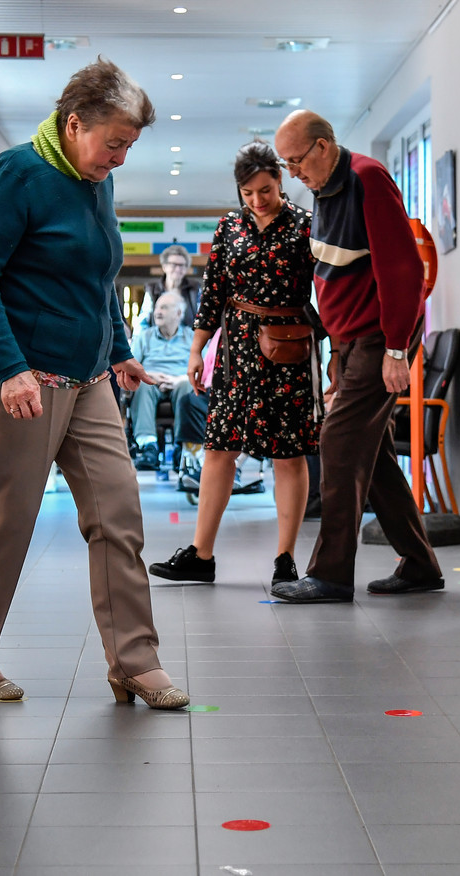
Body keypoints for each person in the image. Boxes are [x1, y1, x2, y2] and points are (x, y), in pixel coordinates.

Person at [0, 58, 188, 710]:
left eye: (130, 146)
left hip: (89, 376)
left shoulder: (95, 181)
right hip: (18, 375)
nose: (121, 158)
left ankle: (134, 661)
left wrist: (123, 350)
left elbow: (98, 282)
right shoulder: (18, 173)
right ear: (74, 123)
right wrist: (14, 368)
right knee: (8, 519)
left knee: (119, 513)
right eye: (114, 143)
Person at [269, 109, 443, 602]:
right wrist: (333, 352)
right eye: (287, 165)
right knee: (376, 456)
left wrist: (394, 349)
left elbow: (401, 269)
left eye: (297, 160)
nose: (294, 173)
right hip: (350, 343)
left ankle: (330, 574)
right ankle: (419, 564)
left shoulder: (368, 178)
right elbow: (332, 278)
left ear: (323, 146)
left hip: (379, 339)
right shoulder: (324, 192)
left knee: (340, 442)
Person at [149, 141, 319, 586]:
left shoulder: (304, 226)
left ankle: (285, 558)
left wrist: (336, 351)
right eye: (248, 193)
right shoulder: (229, 226)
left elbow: (328, 294)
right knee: (220, 447)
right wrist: (196, 350)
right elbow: (213, 293)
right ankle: (201, 554)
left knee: (288, 454)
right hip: (237, 350)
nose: (258, 201)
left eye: (266, 190)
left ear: (280, 180)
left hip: (288, 349)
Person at [129, 291, 194, 470]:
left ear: (179, 314)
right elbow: (132, 365)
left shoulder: (191, 336)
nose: (158, 311)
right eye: (157, 307)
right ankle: (148, 447)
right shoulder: (145, 337)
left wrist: (179, 379)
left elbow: (202, 370)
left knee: (186, 385)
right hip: (151, 380)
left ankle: (182, 446)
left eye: (164, 308)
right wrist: (149, 376)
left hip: (180, 380)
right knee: (142, 384)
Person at [137, 244, 200, 328]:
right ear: (164, 267)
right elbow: (143, 322)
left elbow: (201, 320)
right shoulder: (152, 290)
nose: (178, 269)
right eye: (173, 264)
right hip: (156, 340)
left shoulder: (195, 290)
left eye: (182, 265)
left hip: (188, 340)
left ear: (186, 269)